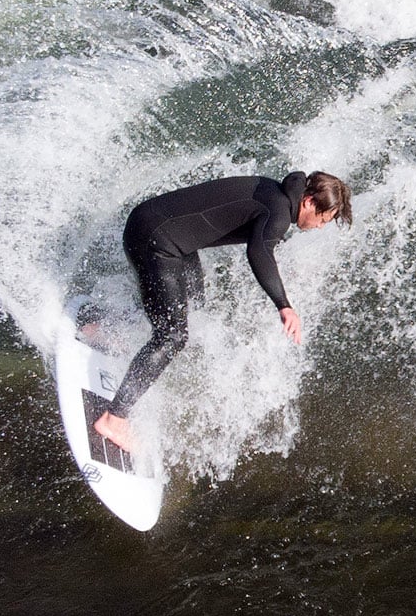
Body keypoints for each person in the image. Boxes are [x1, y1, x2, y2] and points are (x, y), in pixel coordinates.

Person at [92, 171, 351, 453]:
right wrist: (284, 305)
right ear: (310, 202)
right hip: (157, 241)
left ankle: (101, 330)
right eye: (323, 220)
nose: (320, 227)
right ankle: (113, 419)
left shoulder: (271, 190)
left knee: (192, 304)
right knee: (173, 336)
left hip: (155, 225)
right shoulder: (276, 212)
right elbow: (260, 253)